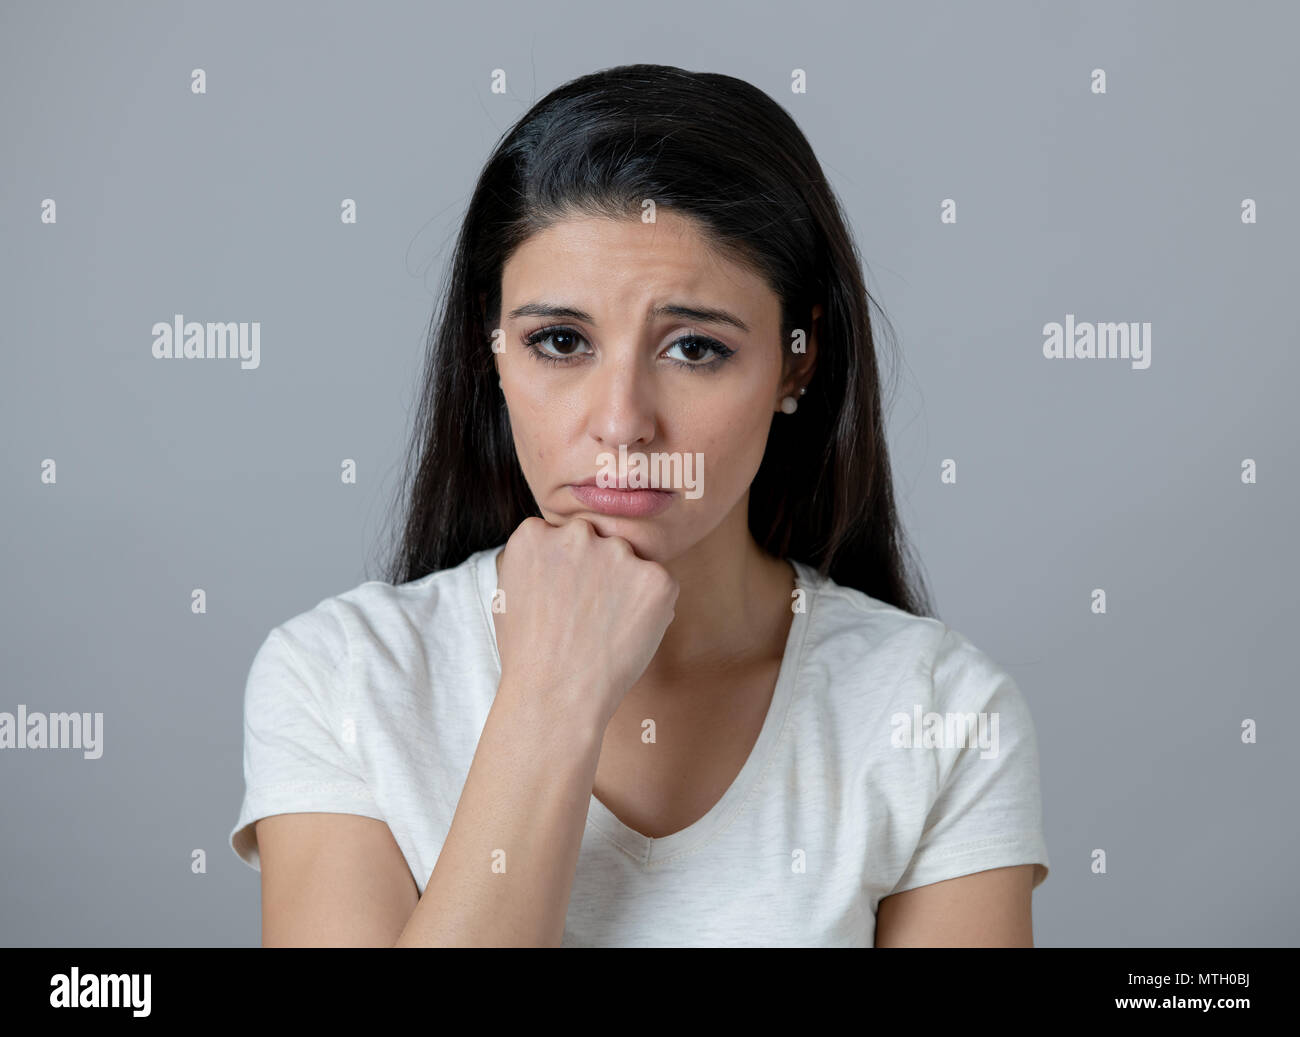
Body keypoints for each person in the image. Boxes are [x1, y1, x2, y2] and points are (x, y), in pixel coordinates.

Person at [229, 63, 1050, 947]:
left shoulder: (941, 714)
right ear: (492, 350)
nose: (621, 422)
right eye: (559, 341)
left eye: (695, 347)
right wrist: (551, 696)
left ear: (797, 361)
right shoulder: (339, 679)